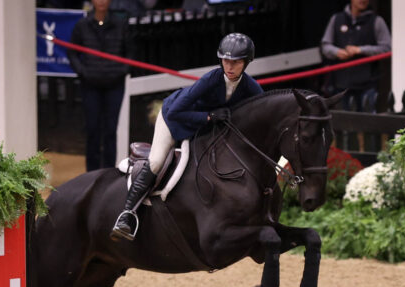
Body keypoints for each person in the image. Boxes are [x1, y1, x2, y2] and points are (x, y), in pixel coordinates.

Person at [111, 32, 263, 242]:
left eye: (236, 62)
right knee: (155, 162)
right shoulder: (210, 79)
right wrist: (209, 117)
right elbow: (176, 113)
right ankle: (127, 215)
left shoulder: (251, 88)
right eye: (226, 60)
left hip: (201, 128)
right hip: (173, 119)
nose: (229, 66)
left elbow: (261, 113)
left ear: (246, 63)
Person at [68, 0, 131, 171]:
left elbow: (130, 54)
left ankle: (110, 173)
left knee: (111, 131)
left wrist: (120, 71)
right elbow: (72, 52)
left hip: (114, 85)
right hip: (90, 85)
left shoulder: (120, 24)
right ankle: (92, 174)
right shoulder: (82, 25)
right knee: (92, 130)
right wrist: (83, 71)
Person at [320, 0, 391, 114]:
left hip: (367, 86)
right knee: (342, 125)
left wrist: (360, 50)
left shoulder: (377, 21)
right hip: (340, 86)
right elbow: (325, 46)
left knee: (367, 125)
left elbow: (387, 48)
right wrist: (337, 52)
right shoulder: (336, 19)